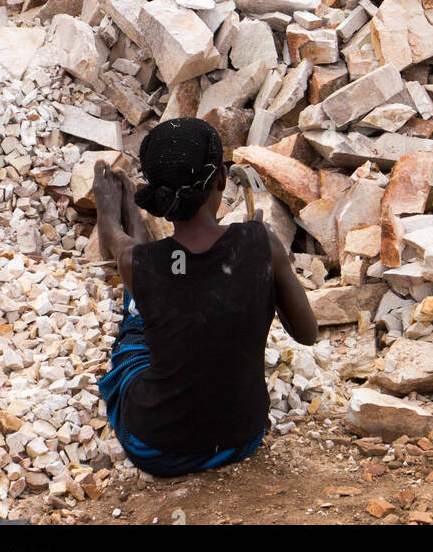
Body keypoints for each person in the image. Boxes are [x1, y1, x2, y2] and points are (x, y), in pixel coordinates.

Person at [95, 118, 318, 478]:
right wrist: (264, 263)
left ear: (158, 196)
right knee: (164, 291)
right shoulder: (263, 242)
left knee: (136, 326)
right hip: (242, 439)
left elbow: (116, 240)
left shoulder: (137, 264)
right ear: (221, 180)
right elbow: (308, 333)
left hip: (155, 449)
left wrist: (110, 206)